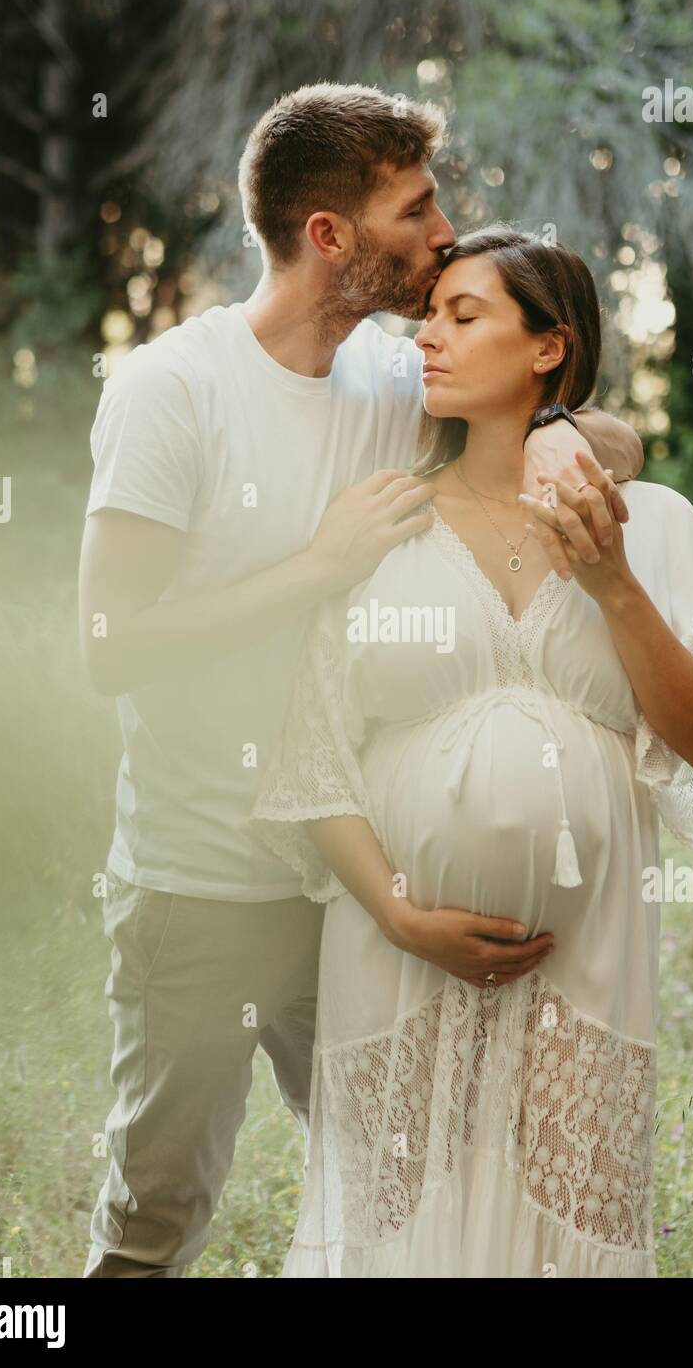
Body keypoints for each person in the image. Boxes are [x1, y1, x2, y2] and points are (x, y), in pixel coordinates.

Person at [78, 84, 644, 1277]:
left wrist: (559, 438)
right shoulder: (170, 390)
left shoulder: (398, 378)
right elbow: (107, 643)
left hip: (358, 889)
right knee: (156, 1218)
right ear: (331, 235)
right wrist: (316, 568)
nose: (443, 233)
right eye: (416, 208)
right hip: (205, 883)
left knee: (396, 1204)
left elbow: (593, 429)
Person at [249, 225, 693, 1278]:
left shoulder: (656, 527)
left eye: (462, 314)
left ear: (549, 348)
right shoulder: (381, 520)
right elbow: (313, 757)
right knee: (402, 1244)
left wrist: (613, 579)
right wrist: (399, 914)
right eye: (426, 316)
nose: (426, 338)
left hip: (585, 970)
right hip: (396, 961)